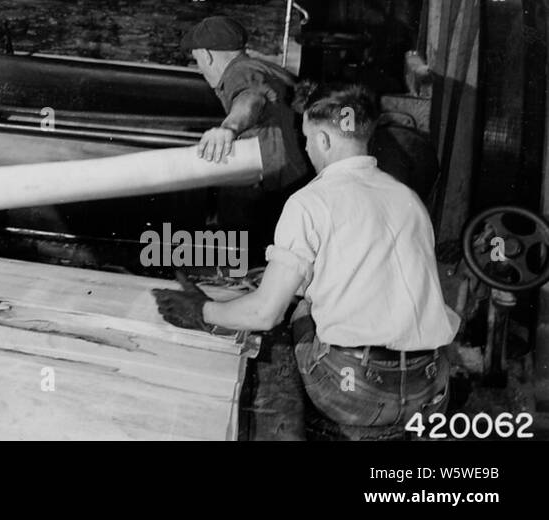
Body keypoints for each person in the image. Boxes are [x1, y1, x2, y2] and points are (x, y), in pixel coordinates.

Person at [153, 82, 459, 439]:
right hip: (431, 387)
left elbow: (264, 313)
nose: (308, 149)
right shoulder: (408, 199)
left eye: (308, 140)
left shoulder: (310, 201)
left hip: (359, 394)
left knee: (298, 314)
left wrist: (201, 311)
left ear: (325, 141)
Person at [181, 15, 309, 248]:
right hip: (298, 178)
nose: (199, 69)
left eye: (197, 60)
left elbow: (251, 98)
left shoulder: (238, 73)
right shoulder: (265, 68)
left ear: (207, 56)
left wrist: (228, 129)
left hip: (273, 182)